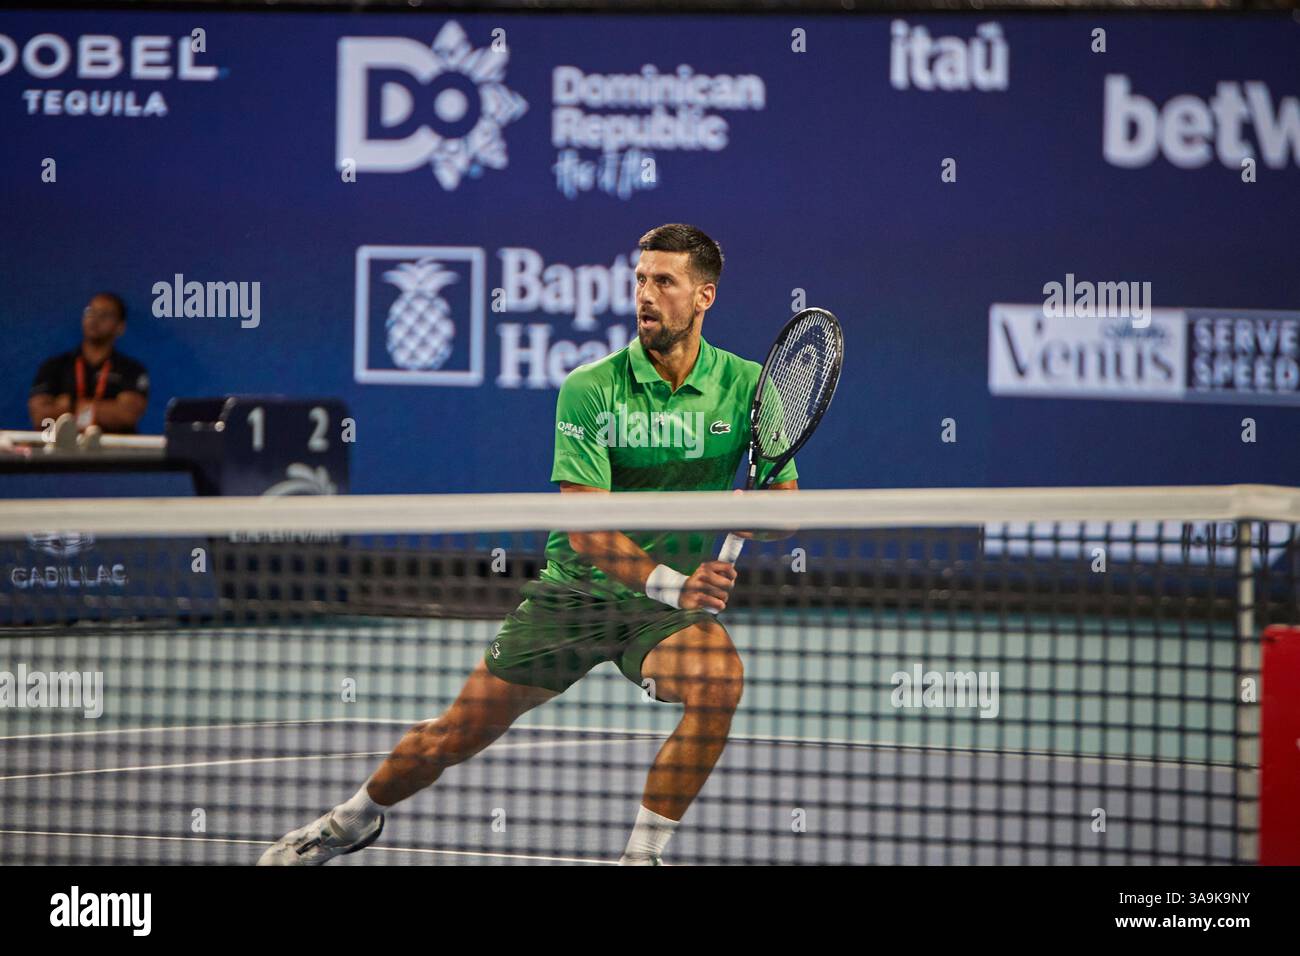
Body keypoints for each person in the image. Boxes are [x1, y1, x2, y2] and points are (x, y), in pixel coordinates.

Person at [258, 224, 797, 866]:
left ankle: (643, 856)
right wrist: (677, 583)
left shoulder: (749, 386)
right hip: (575, 595)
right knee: (454, 735)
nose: (645, 295)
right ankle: (352, 820)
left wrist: (755, 515)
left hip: (664, 616)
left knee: (721, 683)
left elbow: (785, 507)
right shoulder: (592, 387)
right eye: (640, 280)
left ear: (704, 296)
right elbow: (586, 529)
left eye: (664, 281)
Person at [29, 292, 149, 434]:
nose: (95, 319)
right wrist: (102, 408)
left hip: (114, 452)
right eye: (90, 312)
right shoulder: (55, 366)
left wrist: (68, 405)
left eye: (105, 315)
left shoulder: (131, 369)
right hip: (62, 451)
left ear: (120, 327)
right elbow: (40, 416)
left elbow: (127, 415)